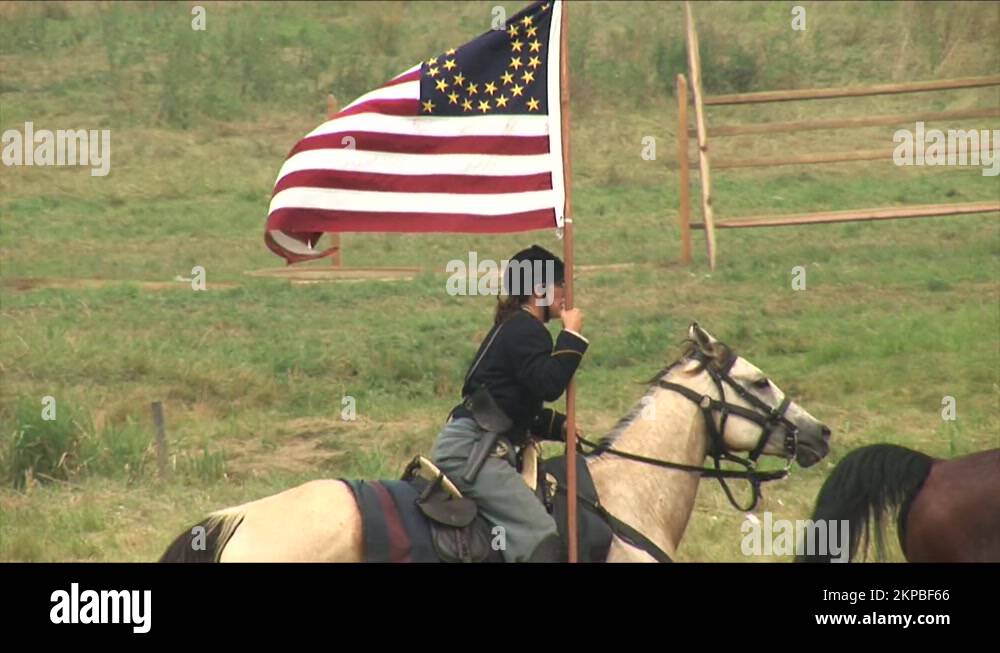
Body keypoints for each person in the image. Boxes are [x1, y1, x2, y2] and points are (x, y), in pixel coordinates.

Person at [430, 244, 588, 562]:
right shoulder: (527, 330)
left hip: (475, 443)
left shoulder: (518, 327)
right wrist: (572, 336)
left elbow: (512, 401)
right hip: (472, 452)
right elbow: (548, 383)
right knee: (540, 534)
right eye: (561, 284)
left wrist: (558, 425)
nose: (566, 292)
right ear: (538, 289)